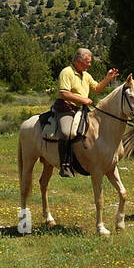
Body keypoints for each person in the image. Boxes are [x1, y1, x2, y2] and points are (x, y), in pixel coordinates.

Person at [54, 48, 119, 176]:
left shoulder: (86, 75)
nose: (90, 64)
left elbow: (96, 89)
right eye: (88, 62)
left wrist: (108, 78)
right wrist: (83, 99)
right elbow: (64, 93)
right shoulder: (66, 72)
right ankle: (65, 165)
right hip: (66, 109)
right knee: (67, 132)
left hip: (81, 109)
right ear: (79, 61)